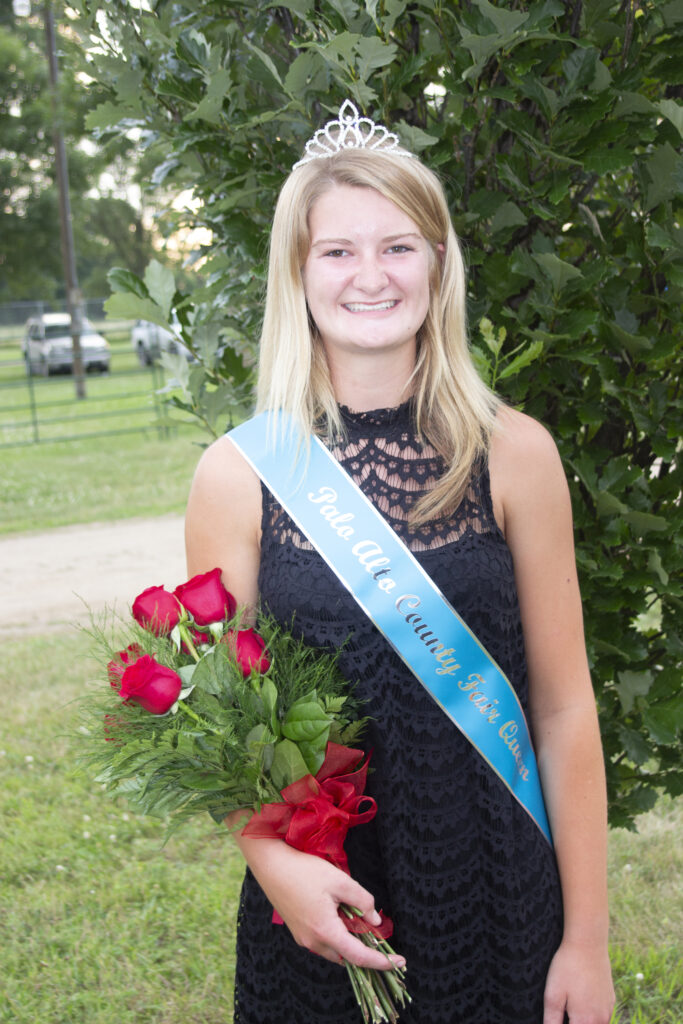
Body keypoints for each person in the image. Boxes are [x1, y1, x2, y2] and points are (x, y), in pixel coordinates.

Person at [185, 101, 615, 1024]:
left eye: (399, 246)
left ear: (439, 264)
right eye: (337, 251)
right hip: (319, 897)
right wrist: (276, 868)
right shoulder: (237, 474)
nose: (370, 276)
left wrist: (586, 940)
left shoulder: (515, 453)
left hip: (499, 882)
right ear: (297, 274)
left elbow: (563, 705)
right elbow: (224, 722)